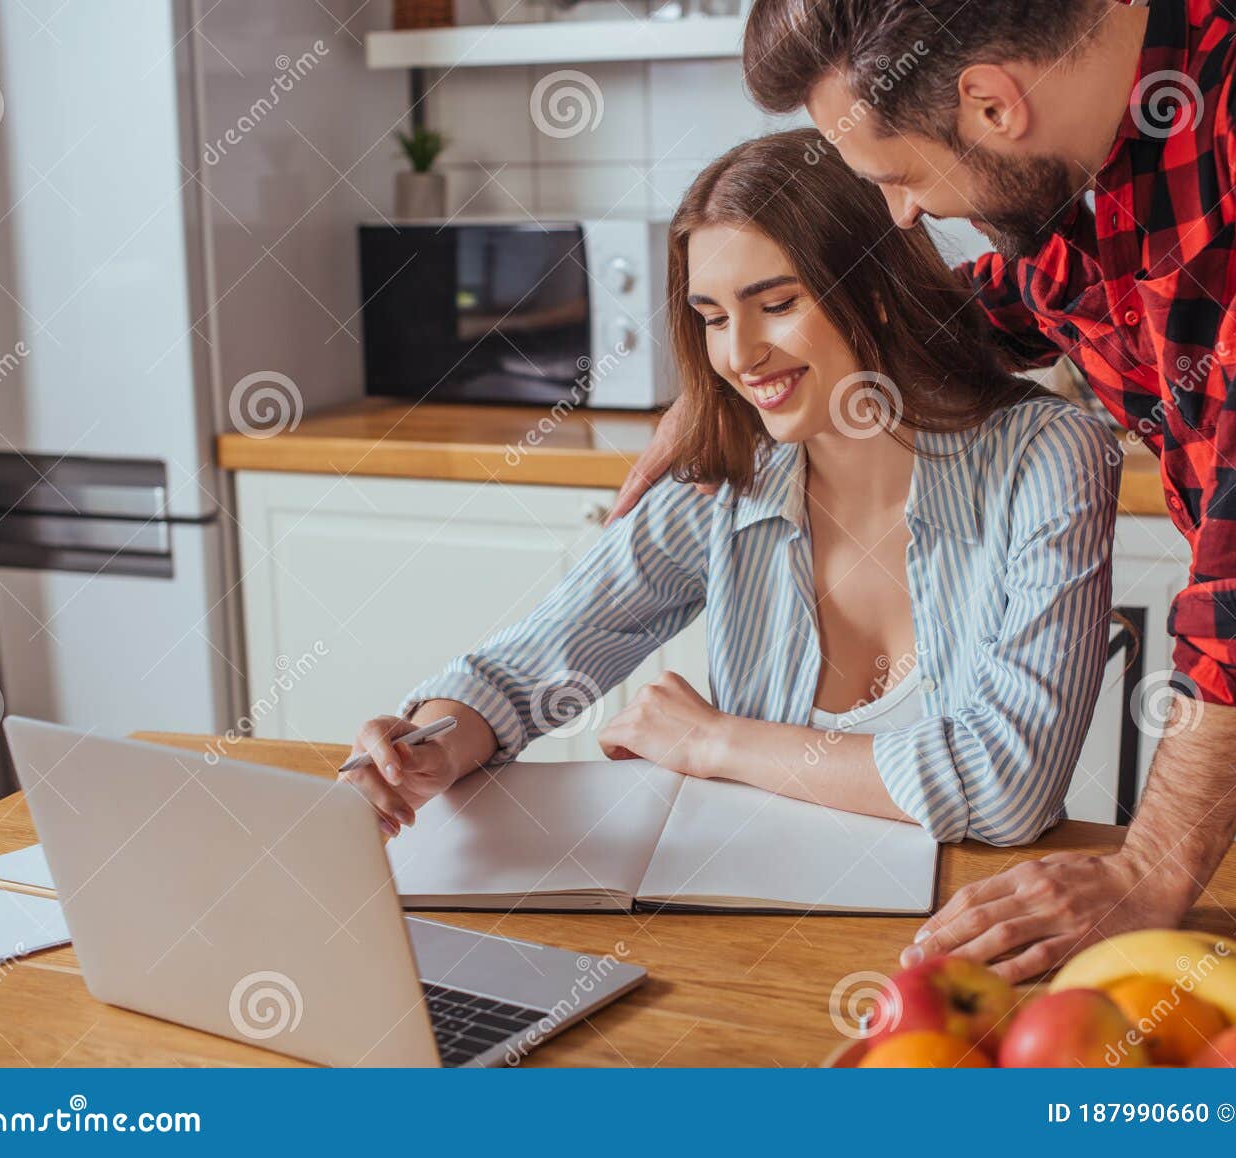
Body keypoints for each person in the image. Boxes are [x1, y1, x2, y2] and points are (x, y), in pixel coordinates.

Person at [611, 0, 1236, 980]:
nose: (904, 215)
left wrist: (1149, 866)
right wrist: (752, 381)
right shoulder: (1069, 162)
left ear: (992, 106)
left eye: (900, 178)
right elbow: (1014, 302)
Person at [345, 129, 1120, 851]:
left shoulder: (1048, 458)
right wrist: (431, 744)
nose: (741, 355)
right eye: (712, 318)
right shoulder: (728, 478)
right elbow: (522, 671)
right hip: (762, 927)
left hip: (976, 934)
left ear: (877, 291)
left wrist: (712, 740)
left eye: (777, 306)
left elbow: (1008, 784)